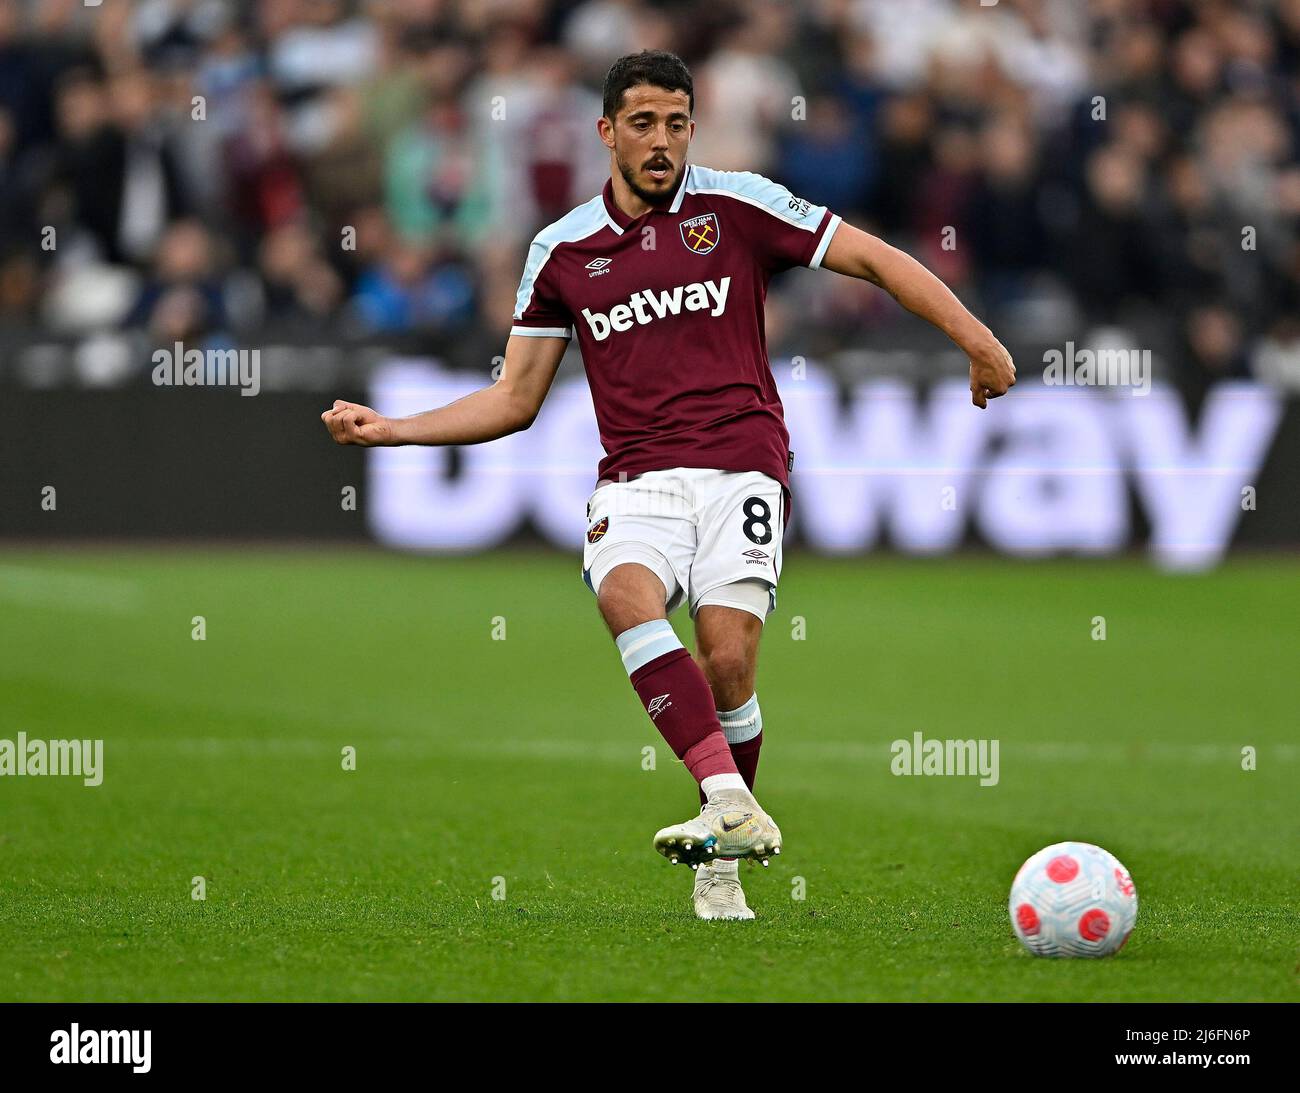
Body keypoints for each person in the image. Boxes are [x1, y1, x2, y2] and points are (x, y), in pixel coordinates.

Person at [322, 50, 1015, 921]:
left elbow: (875, 259)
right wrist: (393, 428)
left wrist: (976, 338)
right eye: (643, 123)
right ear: (606, 131)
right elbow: (515, 397)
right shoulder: (563, 249)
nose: (661, 142)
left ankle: (718, 859)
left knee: (728, 660)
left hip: (743, 464)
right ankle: (728, 802)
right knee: (626, 595)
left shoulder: (740, 205)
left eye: (677, 124)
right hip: (636, 479)